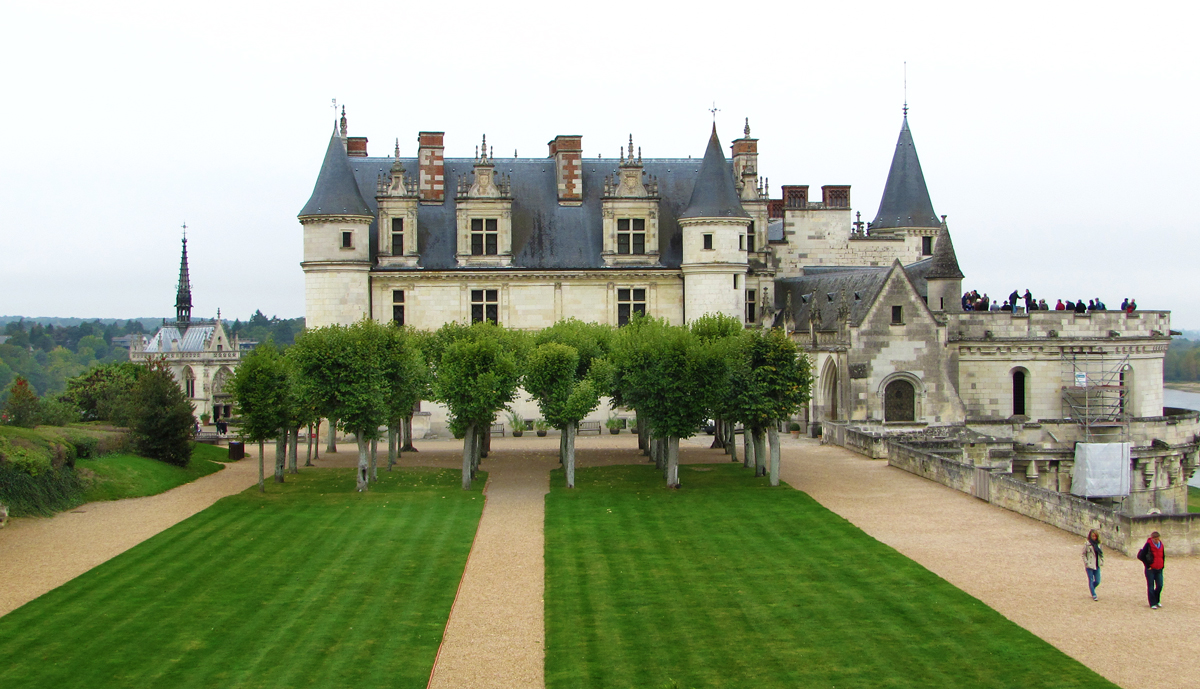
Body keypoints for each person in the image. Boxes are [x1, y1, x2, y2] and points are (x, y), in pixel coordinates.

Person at [1137, 532, 1165, 608]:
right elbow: (1141, 556)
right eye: (1155, 539)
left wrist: (1162, 566)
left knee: (1160, 585)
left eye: (1158, 539)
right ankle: (1152, 603)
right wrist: (1148, 565)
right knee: (1151, 586)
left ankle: (1157, 600)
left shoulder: (1161, 544)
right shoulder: (1148, 545)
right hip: (1151, 569)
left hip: (1159, 568)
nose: (1157, 540)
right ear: (1152, 538)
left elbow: (1163, 555)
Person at [1082, 530, 1104, 600]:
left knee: (1097, 581)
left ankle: (1092, 589)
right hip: (1090, 565)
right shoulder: (1087, 544)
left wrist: (1101, 561)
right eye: (1093, 536)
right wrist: (1086, 562)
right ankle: (1094, 594)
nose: (1094, 538)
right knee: (1091, 580)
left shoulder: (1099, 545)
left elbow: (1101, 554)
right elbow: (1083, 554)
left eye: (1095, 536)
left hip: (1096, 564)